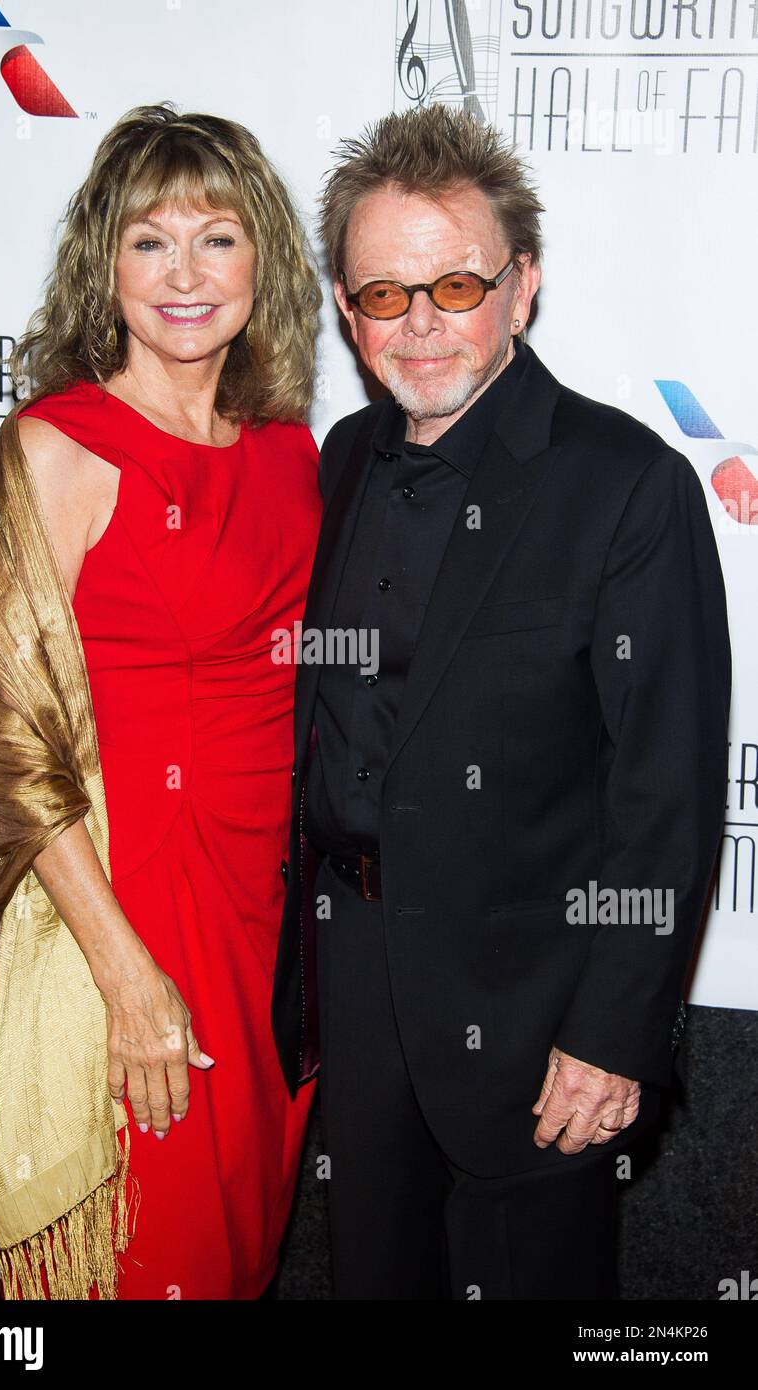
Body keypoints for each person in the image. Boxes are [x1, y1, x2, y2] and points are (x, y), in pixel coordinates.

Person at [271, 104, 731, 1299]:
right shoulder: (340, 462)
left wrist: (614, 1033)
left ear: (521, 287)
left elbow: (664, 796)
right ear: (342, 304)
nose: (419, 324)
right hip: (360, 987)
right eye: (383, 293)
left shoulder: (627, 485)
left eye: (457, 284)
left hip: (538, 1011)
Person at [0, 102, 322, 1300]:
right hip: (134, 911)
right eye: (148, 241)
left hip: (273, 925)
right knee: (151, 1258)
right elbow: (16, 751)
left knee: (240, 1248)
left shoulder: (288, 451)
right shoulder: (55, 449)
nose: (184, 274)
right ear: (101, 265)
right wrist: (125, 975)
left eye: (216, 238)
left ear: (260, 258)